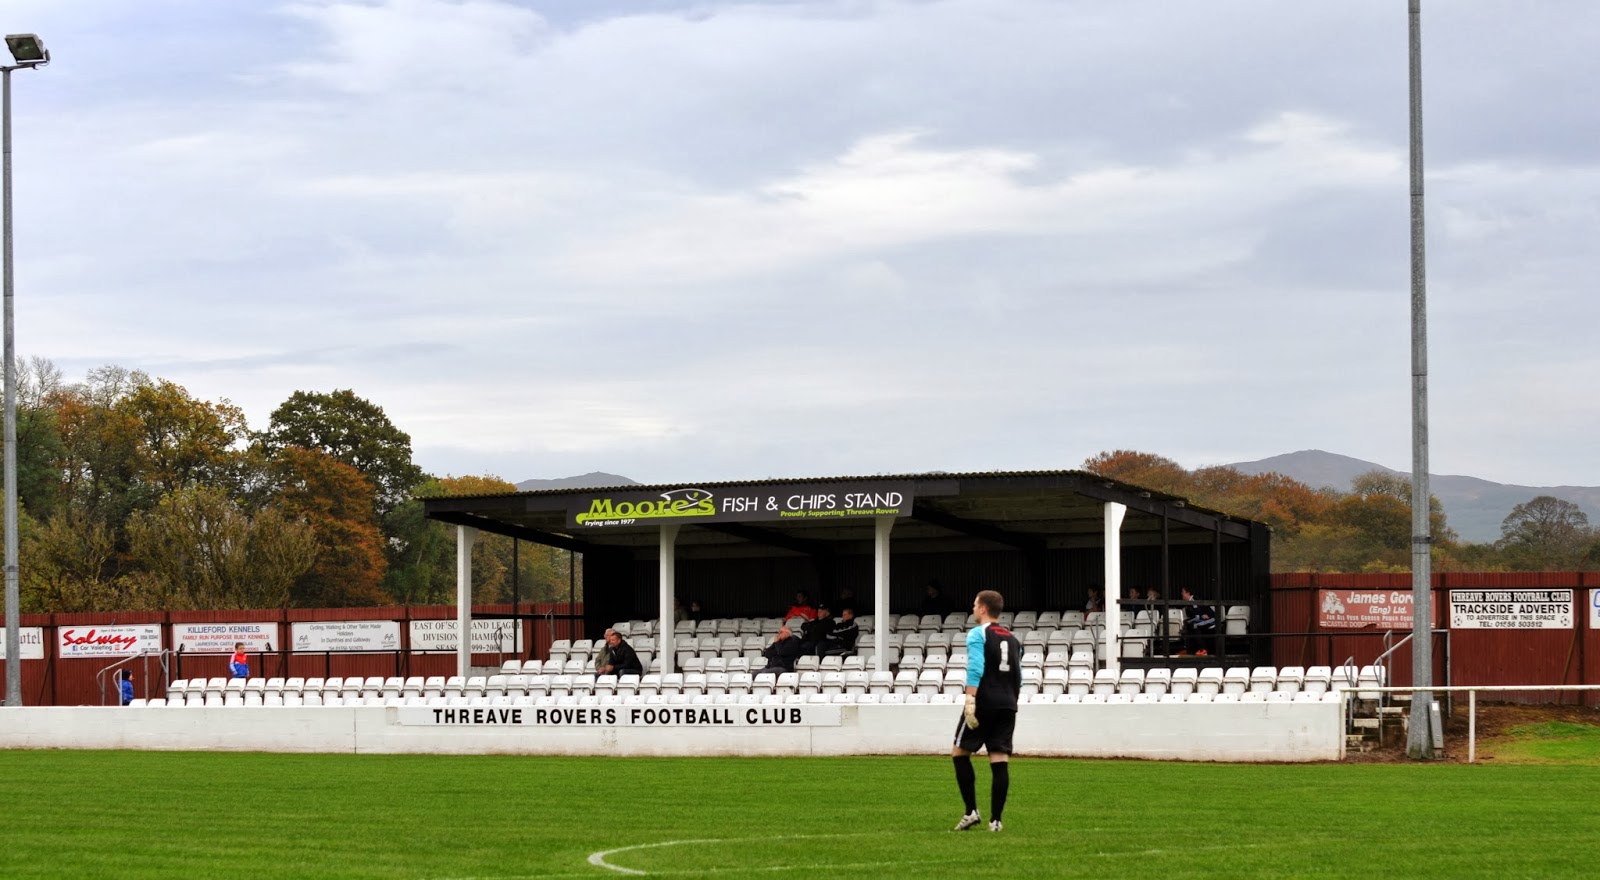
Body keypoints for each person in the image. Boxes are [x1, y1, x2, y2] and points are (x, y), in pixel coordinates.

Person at [951, 589, 1022, 833]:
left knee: (959, 753)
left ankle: (971, 811)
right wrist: (1013, 701)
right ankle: (996, 821)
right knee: (999, 759)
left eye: (974, 605)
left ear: (982, 608)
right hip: (1008, 703)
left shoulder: (977, 633)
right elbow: (1019, 676)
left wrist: (970, 698)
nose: (972, 609)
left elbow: (976, 667)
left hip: (984, 701)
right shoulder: (1013, 639)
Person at [1180, 587, 1217, 656]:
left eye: (1183, 592)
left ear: (1188, 593)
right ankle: (1190, 650)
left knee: (1194, 625)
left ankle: (1202, 649)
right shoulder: (1187, 604)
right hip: (1202, 620)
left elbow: (1197, 617)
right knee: (1190, 627)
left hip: (1211, 620)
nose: (1181, 594)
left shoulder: (1194, 601)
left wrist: (1189, 621)